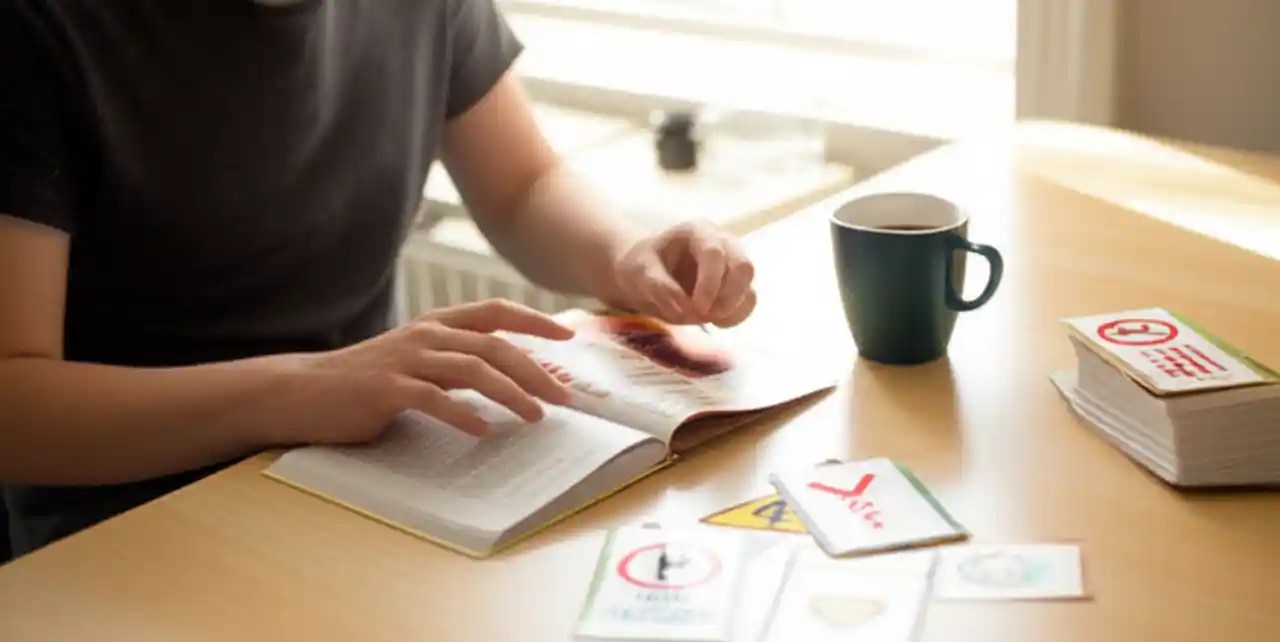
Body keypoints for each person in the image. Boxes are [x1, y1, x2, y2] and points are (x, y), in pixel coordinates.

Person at [0, 0, 757, 558]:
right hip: (126, 536)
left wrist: (626, 253)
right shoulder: (35, 30)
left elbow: (523, 186)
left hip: (374, 476)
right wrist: (301, 391)